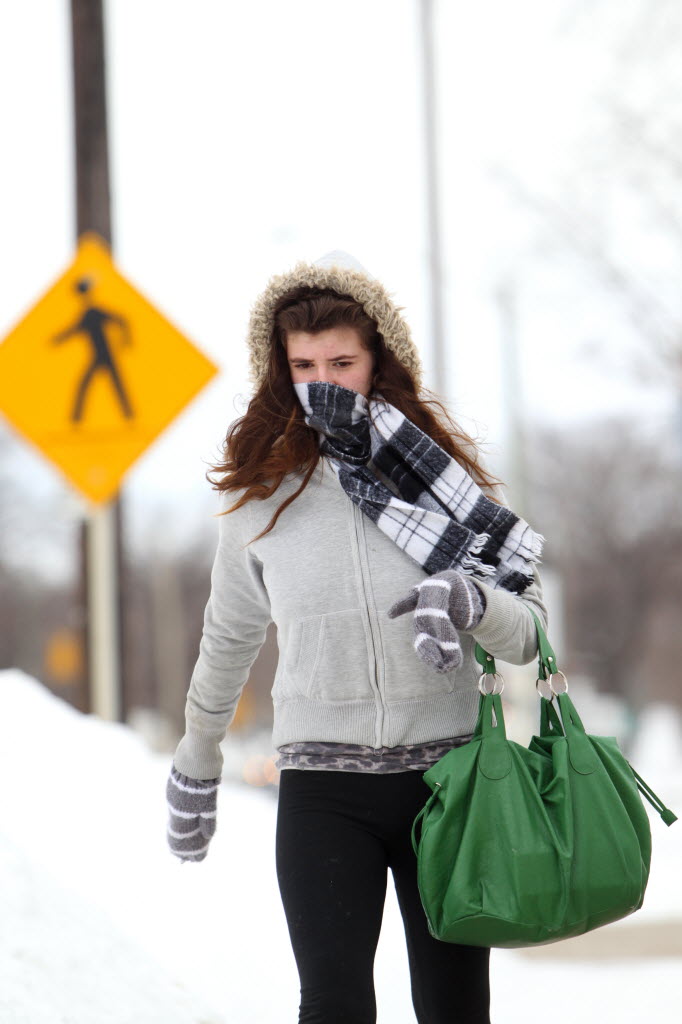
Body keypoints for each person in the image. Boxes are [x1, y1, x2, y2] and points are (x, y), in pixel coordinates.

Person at [165, 249, 548, 1024]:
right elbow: (228, 640)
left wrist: (473, 601)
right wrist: (196, 758)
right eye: (304, 365)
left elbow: (533, 633)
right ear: (279, 371)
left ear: (379, 362)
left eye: (342, 361)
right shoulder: (260, 498)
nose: (323, 383)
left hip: (448, 785)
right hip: (320, 788)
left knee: (452, 1008)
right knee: (333, 1005)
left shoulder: (445, 486)